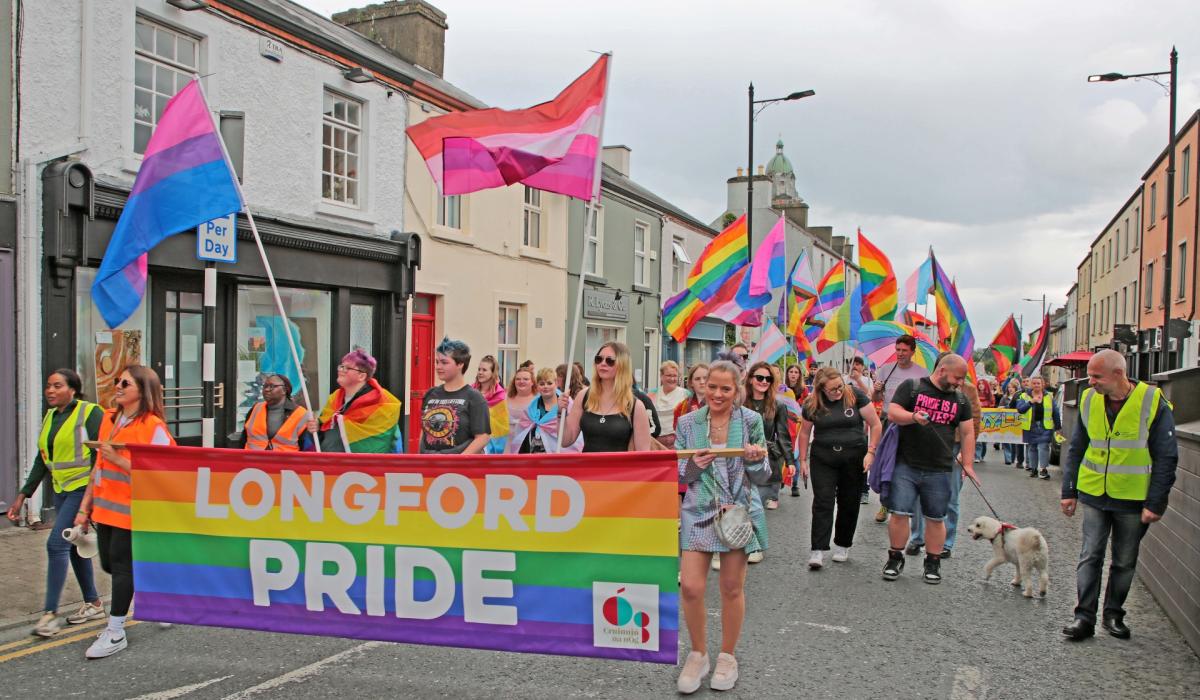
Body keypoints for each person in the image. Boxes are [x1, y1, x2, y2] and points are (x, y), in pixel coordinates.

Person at [1061, 350, 1177, 641]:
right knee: (1090, 555)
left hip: (1132, 498)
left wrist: (1156, 501)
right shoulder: (1089, 399)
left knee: (1124, 560)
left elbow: (1166, 456)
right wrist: (1069, 490)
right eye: (1090, 375)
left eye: (1097, 376)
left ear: (1118, 374)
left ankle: (1113, 615)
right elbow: (1077, 447)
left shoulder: (1151, 401)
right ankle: (1083, 618)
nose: (1091, 382)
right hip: (1094, 492)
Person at [674, 360, 770, 694]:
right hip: (698, 510)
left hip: (735, 512)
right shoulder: (687, 422)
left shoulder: (751, 422)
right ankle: (698, 653)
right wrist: (692, 467)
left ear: (737, 389)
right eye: (711, 386)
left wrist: (756, 459)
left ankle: (727, 656)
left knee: (731, 587)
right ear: (703, 385)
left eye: (725, 388)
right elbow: (679, 476)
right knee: (690, 586)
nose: (717, 394)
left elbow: (763, 477)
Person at [75, 365, 175, 659]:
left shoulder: (153, 426)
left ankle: (116, 631)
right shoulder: (110, 419)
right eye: (118, 381)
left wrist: (118, 459)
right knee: (110, 566)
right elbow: (98, 468)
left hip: (134, 511)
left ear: (142, 391)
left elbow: (165, 473)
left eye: (125, 383)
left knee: (120, 569)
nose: (118, 386)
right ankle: (156, 597)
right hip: (104, 511)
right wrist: (84, 509)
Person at [6, 369, 105, 637]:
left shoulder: (90, 412)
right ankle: (94, 602)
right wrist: (23, 494)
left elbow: (102, 456)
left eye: (57, 386)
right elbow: (42, 459)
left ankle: (50, 615)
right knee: (73, 545)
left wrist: (91, 500)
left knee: (56, 544)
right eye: (48, 386)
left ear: (72, 388)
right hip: (61, 490)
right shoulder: (51, 416)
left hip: (83, 489)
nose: (50, 390)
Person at [883, 354, 977, 584]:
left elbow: (967, 432)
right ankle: (895, 558)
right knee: (899, 513)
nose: (960, 382)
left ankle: (932, 563)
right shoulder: (912, 387)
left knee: (936, 517)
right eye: (957, 377)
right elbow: (893, 412)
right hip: (906, 463)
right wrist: (913, 417)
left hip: (941, 468)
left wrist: (968, 463)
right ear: (942, 370)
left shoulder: (961, 400)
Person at [798, 367, 882, 569]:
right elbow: (804, 433)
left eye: (840, 386)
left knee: (849, 501)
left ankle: (843, 544)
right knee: (823, 501)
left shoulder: (855, 396)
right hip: (823, 457)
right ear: (821, 389)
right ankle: (817, 550)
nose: (838, 391)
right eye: (833, 389)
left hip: (854, 457)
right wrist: (802, 460)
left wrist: (871, 452)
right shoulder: (812, 404)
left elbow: (875, 424)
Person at [905, 368, 981, 560]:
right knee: (918, 496)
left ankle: (945, 543)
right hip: (926, 447)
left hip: (954, 447)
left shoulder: (968, 390)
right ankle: (917, 538)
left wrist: (966, 452)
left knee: (951, 497)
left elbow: (974, 422)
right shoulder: (924, 387)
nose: (959, 381)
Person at [872, 335, 930, 522]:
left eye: (904, 350)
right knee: (886, 463)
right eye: (898, 350)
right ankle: (884, 504)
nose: (900, 354)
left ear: (912, 352)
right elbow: (875, 399)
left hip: (911, 424)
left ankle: (906, 503)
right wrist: (876, 389)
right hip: (889, 422)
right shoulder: (886, 370)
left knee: (906, 464)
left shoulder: (922, 373)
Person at [558, 342, 651, 452]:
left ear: (622, 365)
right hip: (588, 467)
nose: (603, 364)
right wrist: (560, 413)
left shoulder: (636, 406)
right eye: (599, 359)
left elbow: (643, 454)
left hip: (620, 468)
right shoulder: (583, 396)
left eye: (610, 361)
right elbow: (565, 440)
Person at [312, 351, 401, 453]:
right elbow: (325, 426)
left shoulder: (380, 402)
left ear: (361, 376)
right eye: (341, 366)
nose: (341, 370)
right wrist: (317, 426)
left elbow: (378, 444)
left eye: (347, 368)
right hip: (330, 463)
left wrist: (342, 422)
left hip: (359, 466)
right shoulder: (335, 398)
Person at [743, 361, 796, 518]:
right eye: (760, 377)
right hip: (741, 460)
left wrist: (790, 461)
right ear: (751, 379)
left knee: (758, 512)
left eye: (768, 379)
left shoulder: (777, 405)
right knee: (743, 509)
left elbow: (783, 435)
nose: (764, 382)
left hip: (767, 460)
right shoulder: (740, 403)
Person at [419, 338, 491, 454]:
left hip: (460, 467)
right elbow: (423, 432)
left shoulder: (474, 397)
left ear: (460, 364)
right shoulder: (430, 394)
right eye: (437, 362)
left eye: (444, 362)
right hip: (431, 464)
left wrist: (459, 460)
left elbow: (483, 437)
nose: (438, 367)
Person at [509, 367, 581, 453]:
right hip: (534, 457)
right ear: (537, 385)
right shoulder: (530, 408)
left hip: (559, 458)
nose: (545, 387)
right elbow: (520, 433)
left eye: (549, 383)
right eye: (542, 384)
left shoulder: (567, 405)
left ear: (556, 383)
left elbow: (574, 432)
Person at [239, 374, 313, 451]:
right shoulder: (256, 408)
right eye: (265, 386)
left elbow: (306, 446)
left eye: (272, 386)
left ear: (284, 390)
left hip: (285, 461)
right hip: (253, 460)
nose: (266, 389)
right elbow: (244, 438)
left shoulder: (301, 414)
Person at [1016, 375, 1061, 480]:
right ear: (1031, 384)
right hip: (1030, 426)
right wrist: (1031, 402)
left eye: (1038, 383)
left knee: (1043, 447)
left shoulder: (1049, 396)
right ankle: (1033, 469)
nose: (1036, 385)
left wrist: (1058, 427)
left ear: (1042, 385)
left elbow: (1056, 412)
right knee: (1032, 448)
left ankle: (1043, 469)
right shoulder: (1024, 396)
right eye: (1034, 383)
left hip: (1045, 427)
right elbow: (1020, 409)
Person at [474, 355, 509, 454]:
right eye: (479, 369)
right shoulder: (470, 391)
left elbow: (502, 427)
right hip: (469, 443)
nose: (480, 372)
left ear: (492, 373)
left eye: (484, 370)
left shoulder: (500, 396)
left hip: (490, 445)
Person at [650, 361, 689, 448]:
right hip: (656, 441)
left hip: (678, 441)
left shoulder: (686, 395)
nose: (672, 379)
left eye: (674, 376)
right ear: (661, 376)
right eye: (669, 375)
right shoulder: (652, 394)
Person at [503, 366, 538, 454]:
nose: (521, 381)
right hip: (506, 444)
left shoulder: (539, 399)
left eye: (525, 379)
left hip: (528, 445)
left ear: (532, 382)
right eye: (518, 379)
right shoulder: (504, 398)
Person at [998, 380, 1025, 467]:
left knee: (1016, 441)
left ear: (1016, 388)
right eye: (1009, 387)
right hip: (1006, 421)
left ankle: (1016, 459)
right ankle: (1009, 458)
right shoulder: (1004, 397)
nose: (1010, 389)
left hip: (1017, 421)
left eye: (1012, 387)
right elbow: (999, 407)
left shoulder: (1020, 396)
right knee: (1007, 440)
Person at [974, 378, 995, 462]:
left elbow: (992, 406)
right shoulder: (975, 395)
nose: (981, 385)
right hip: (977, 419)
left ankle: (981, 455)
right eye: (979, 384)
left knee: (984, 440)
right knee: (978, 439)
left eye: (982, 384)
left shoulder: (990, 396)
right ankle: (977, 456)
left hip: (987, 420)